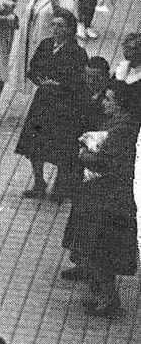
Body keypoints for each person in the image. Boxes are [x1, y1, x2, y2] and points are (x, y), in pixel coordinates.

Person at [62, 90, 139, 316]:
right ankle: (101, 295)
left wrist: (85, 155)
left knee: (101, 250)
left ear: (120, 105)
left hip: (109, 199)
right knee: (97, 249)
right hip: (106, 195)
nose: (103, 103)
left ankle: (109, 300)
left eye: (108, 100)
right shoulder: (120, 124)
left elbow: (108, 164)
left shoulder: (122, 130)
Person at [16, 8, 89, 200]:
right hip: (43, 101)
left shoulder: (77, 53)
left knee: (59, 146)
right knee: (34, 144)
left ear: (70, 29)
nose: (56, 29)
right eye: (54, 25)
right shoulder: (46, 45)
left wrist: (59, 85)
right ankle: (39, 182)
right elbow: (33, 68)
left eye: (61, 26)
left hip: (63, 106)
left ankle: (59, 186)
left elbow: (78, 80)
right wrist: (40, 80)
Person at [112, 31, 141, 124]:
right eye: (126, 48)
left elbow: (129, 101)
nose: (127, 53)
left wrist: (120, 81)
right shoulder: (123, 66)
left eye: (133, 49)